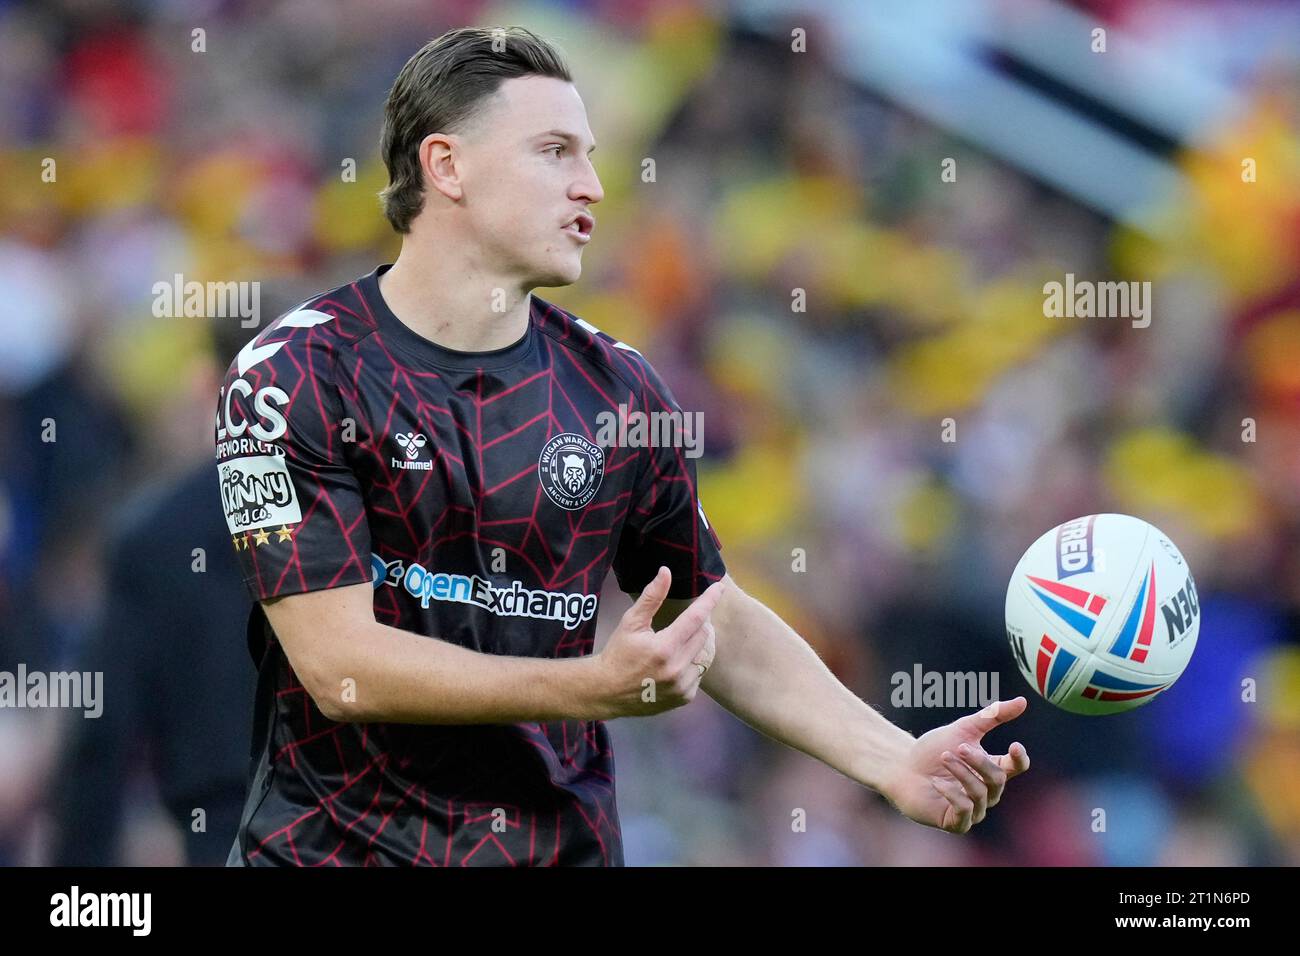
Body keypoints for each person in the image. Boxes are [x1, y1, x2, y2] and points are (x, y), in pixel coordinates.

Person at [216, 25, 1030, 867]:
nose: (594, 187)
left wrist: (890, 756)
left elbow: (709, 614)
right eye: (555, 152)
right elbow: (340, 667)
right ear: (446, 166)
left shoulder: (618, 390)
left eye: (591, 155)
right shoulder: (296, 374)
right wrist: (590, 687)